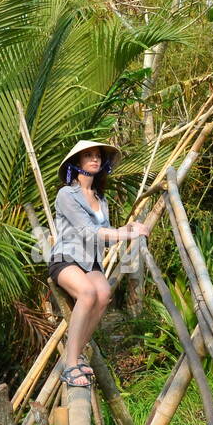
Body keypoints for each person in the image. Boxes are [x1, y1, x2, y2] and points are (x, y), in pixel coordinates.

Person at [46, 139, 150, 387]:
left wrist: (128, 228)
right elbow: (87, 232)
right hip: (66, 258)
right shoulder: (66, 194)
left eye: (98, 156)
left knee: (103, 294)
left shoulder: (100, 200)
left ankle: (77, 352)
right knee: (88, 292)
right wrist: (126, 234)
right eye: (88, 156)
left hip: (90, 261)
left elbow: (103, 239)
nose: (95, 159)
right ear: (77, 163)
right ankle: (70, 364)